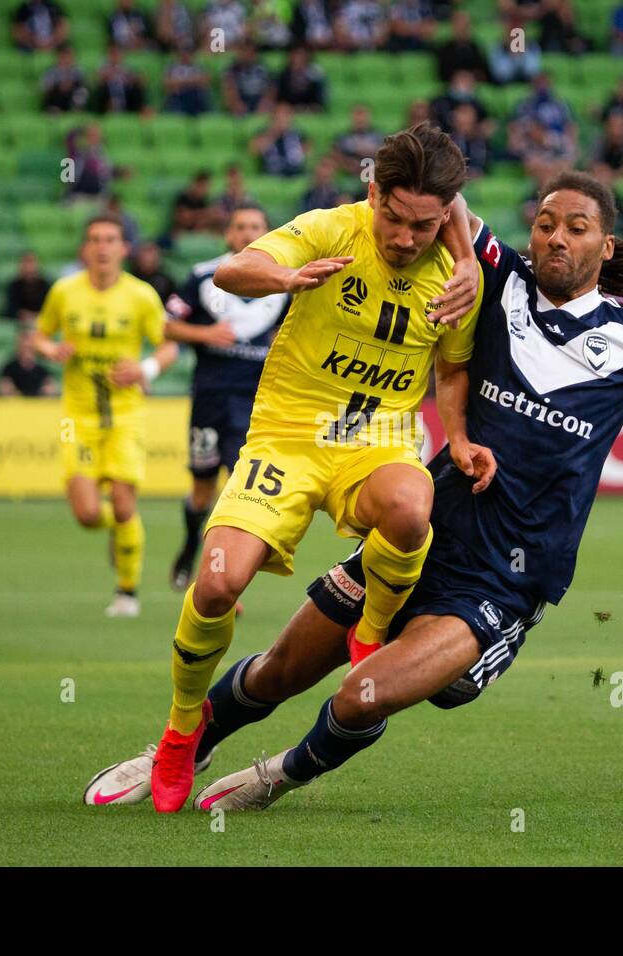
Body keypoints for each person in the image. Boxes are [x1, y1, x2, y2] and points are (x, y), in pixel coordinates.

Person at [84, 172, 623, 809]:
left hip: (504, 579)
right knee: (278, 669)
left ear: (606, 241)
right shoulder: (494, 274)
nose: (556, 237)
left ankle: (281, 778)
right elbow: (438, 177)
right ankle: (176, 747)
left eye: (577, 225)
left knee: (361, 698)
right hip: (420, 533)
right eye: (545, 221)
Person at [137, 124, 484, 813]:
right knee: (215, 586)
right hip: (288, 436)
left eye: (423, 225)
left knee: (415, 508)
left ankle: (370, 632)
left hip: (378, 434)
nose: (405, 237)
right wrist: (286, 278)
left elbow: (452, 369)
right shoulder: (332, 229)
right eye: (394, 217)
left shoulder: (457, 271)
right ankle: (182, 731)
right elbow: (235, 270)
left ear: (445, 216)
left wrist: (463, 436)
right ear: (372, 192)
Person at [30, 213, 179, 618]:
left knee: (125, 502)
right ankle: (122, 530)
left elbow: (169, 346)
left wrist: (144, 370)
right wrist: (50, 351)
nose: (101, 246)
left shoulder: (142, 295)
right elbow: (39, 334)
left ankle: (127, 591)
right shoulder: (64, 292)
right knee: (87, 514)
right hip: (75, 418)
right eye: (94, 239)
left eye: (110, 239)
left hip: (126, 415)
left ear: (123, 249)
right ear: (84, 248)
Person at [164, 205, 290, 591]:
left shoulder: (286, 282)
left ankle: (219, 574)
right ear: (228, 235)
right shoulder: (204, 276)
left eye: (256, 225)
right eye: (240, 227)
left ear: (268, 232)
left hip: (256, 405)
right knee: (203, 487)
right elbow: (166, 325)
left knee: (240, 486)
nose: (248, 233)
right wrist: (205, 335)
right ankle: (189, 546)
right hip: (210, 397)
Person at [0, 329, 58, 396]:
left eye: (29, 348)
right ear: (18, 347)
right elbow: (5, 388)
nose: (27, 352)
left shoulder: (42, 371)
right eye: (24, 348)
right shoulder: (9, 368)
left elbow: (51, 389)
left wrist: (47, 391)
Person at [274, 46, 327, 112]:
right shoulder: (283, 75)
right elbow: (277, 97)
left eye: (301, 56)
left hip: (309, 110)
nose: (298, 59)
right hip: (287, 109)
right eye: (296, 55)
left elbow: (319, 100)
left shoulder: (315, 76)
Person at [5, 251, 52, 324]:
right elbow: (10, 309)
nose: (29, 267)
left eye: (31, 262)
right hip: (18, 324)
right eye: (25, 262)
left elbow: (50, 309)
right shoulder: (13, 286)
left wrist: (37, 315)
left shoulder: (46, 285)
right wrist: (22, 314)